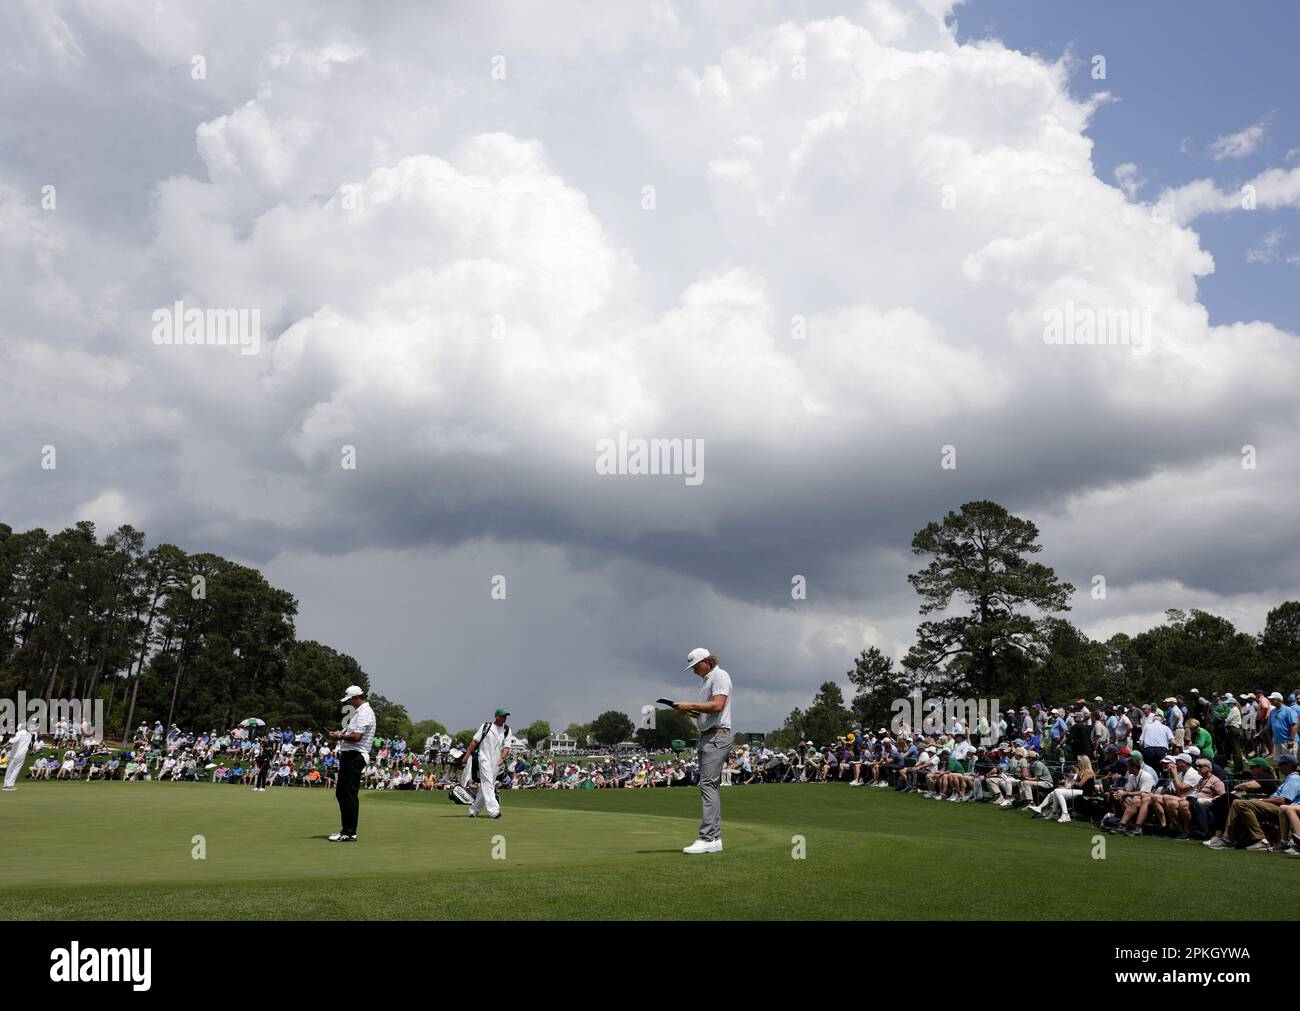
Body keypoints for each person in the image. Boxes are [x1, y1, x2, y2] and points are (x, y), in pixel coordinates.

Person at [675, 647, 733, 854]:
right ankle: (714, 838)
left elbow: (717, 706)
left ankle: (708, 837)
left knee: (708, 785)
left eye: (695, 666)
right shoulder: (706, 682)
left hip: (717, 736)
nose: (693, 671)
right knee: (710, 786)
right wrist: (687, 711)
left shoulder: (720, 676)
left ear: (706, 661)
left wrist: (690, 704)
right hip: (709, 735)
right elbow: (706, 714)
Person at [330, 685, 376, 842]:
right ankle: (346, 830)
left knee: (348, 794)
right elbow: (353, 734)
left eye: (349, 700)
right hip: (351, 755)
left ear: (356, 698)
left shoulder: (364, 713)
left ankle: (349, 832)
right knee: (342, 793)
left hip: (355, 756)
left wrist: (340, 736)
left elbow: (357, 737)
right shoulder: (360, 712)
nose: (348, 703)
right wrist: (340, 734)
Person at [463, 708, 511, 819]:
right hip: (483, 758)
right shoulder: (486, 726)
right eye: (503, 716)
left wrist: (502, 758)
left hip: (497, 761)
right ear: (497, 716)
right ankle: (494, 810)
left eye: (506, 716)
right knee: (488, 782)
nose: (505, 718)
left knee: (486, 784)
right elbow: (474, 742)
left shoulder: (507, 730)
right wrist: (466, 755)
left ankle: (474, 810)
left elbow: (507, 746)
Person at [3, 721, 33, 791]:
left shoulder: (20, 733)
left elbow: (14, 740)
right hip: (22, 755)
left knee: (10, 769)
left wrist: (5, 745)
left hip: (15, 754)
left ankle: (6, 785)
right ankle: (9, 785)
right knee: (16, 770)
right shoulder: (29, 735)